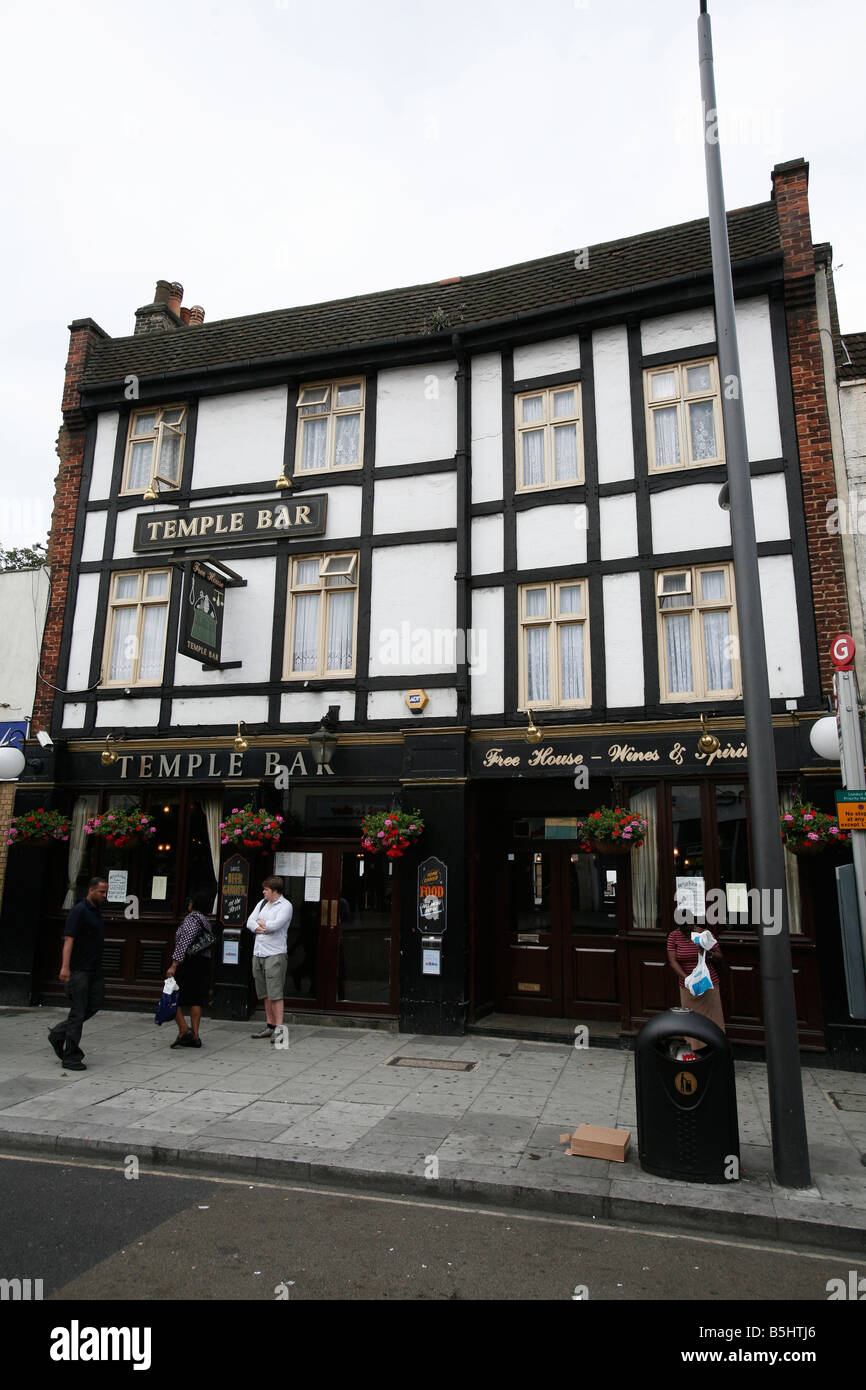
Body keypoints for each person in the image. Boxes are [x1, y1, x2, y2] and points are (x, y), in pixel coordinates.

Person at [48, 876, 108, 1071]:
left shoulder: (97, 911)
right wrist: (65, 967)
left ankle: (58, 1033)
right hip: (79, 969)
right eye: (101, 892)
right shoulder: (79, 911)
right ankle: (71, 1057)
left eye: (106, 892)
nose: (104, 895)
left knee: (95, 1003)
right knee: (78, 1011)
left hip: (95, 968)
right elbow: (69, 939)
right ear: (91, 890)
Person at [246, 876, 294, 1042]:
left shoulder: (285, 906)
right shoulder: (261, 903)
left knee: (275, 993)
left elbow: (275, 926)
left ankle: (280, 1031)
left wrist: (260, 924)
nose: (263, 892)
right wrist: (261, 926)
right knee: (265, 993)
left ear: (275, 891)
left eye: (266, 889)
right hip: (259, 953)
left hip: (274, 954)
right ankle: (270, 1025)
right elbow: (249, 922)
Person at [166, 890, 214, 1049]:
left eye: (190, 901)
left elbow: (184, 943)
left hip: (189, 963)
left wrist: (174, 964)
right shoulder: (205, 921)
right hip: (203, 963)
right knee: (196, 998)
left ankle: (183, 1030)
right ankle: (195, 1035)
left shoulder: (192, 919)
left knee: (173, 995)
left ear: (194, 904)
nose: (188, 904)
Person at [667, 922, 725, 1049]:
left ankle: (716, 1050)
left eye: (687, 928)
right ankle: (695, 1051)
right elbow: (672, 961)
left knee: (713, 1019)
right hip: (688, 986)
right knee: (691, 1021)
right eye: (682, 928)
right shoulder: (674, 936)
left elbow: (719, 956)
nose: (685, 931)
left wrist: (708, 953)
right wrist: (687, 979)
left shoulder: (703, 934)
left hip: (707, 984)